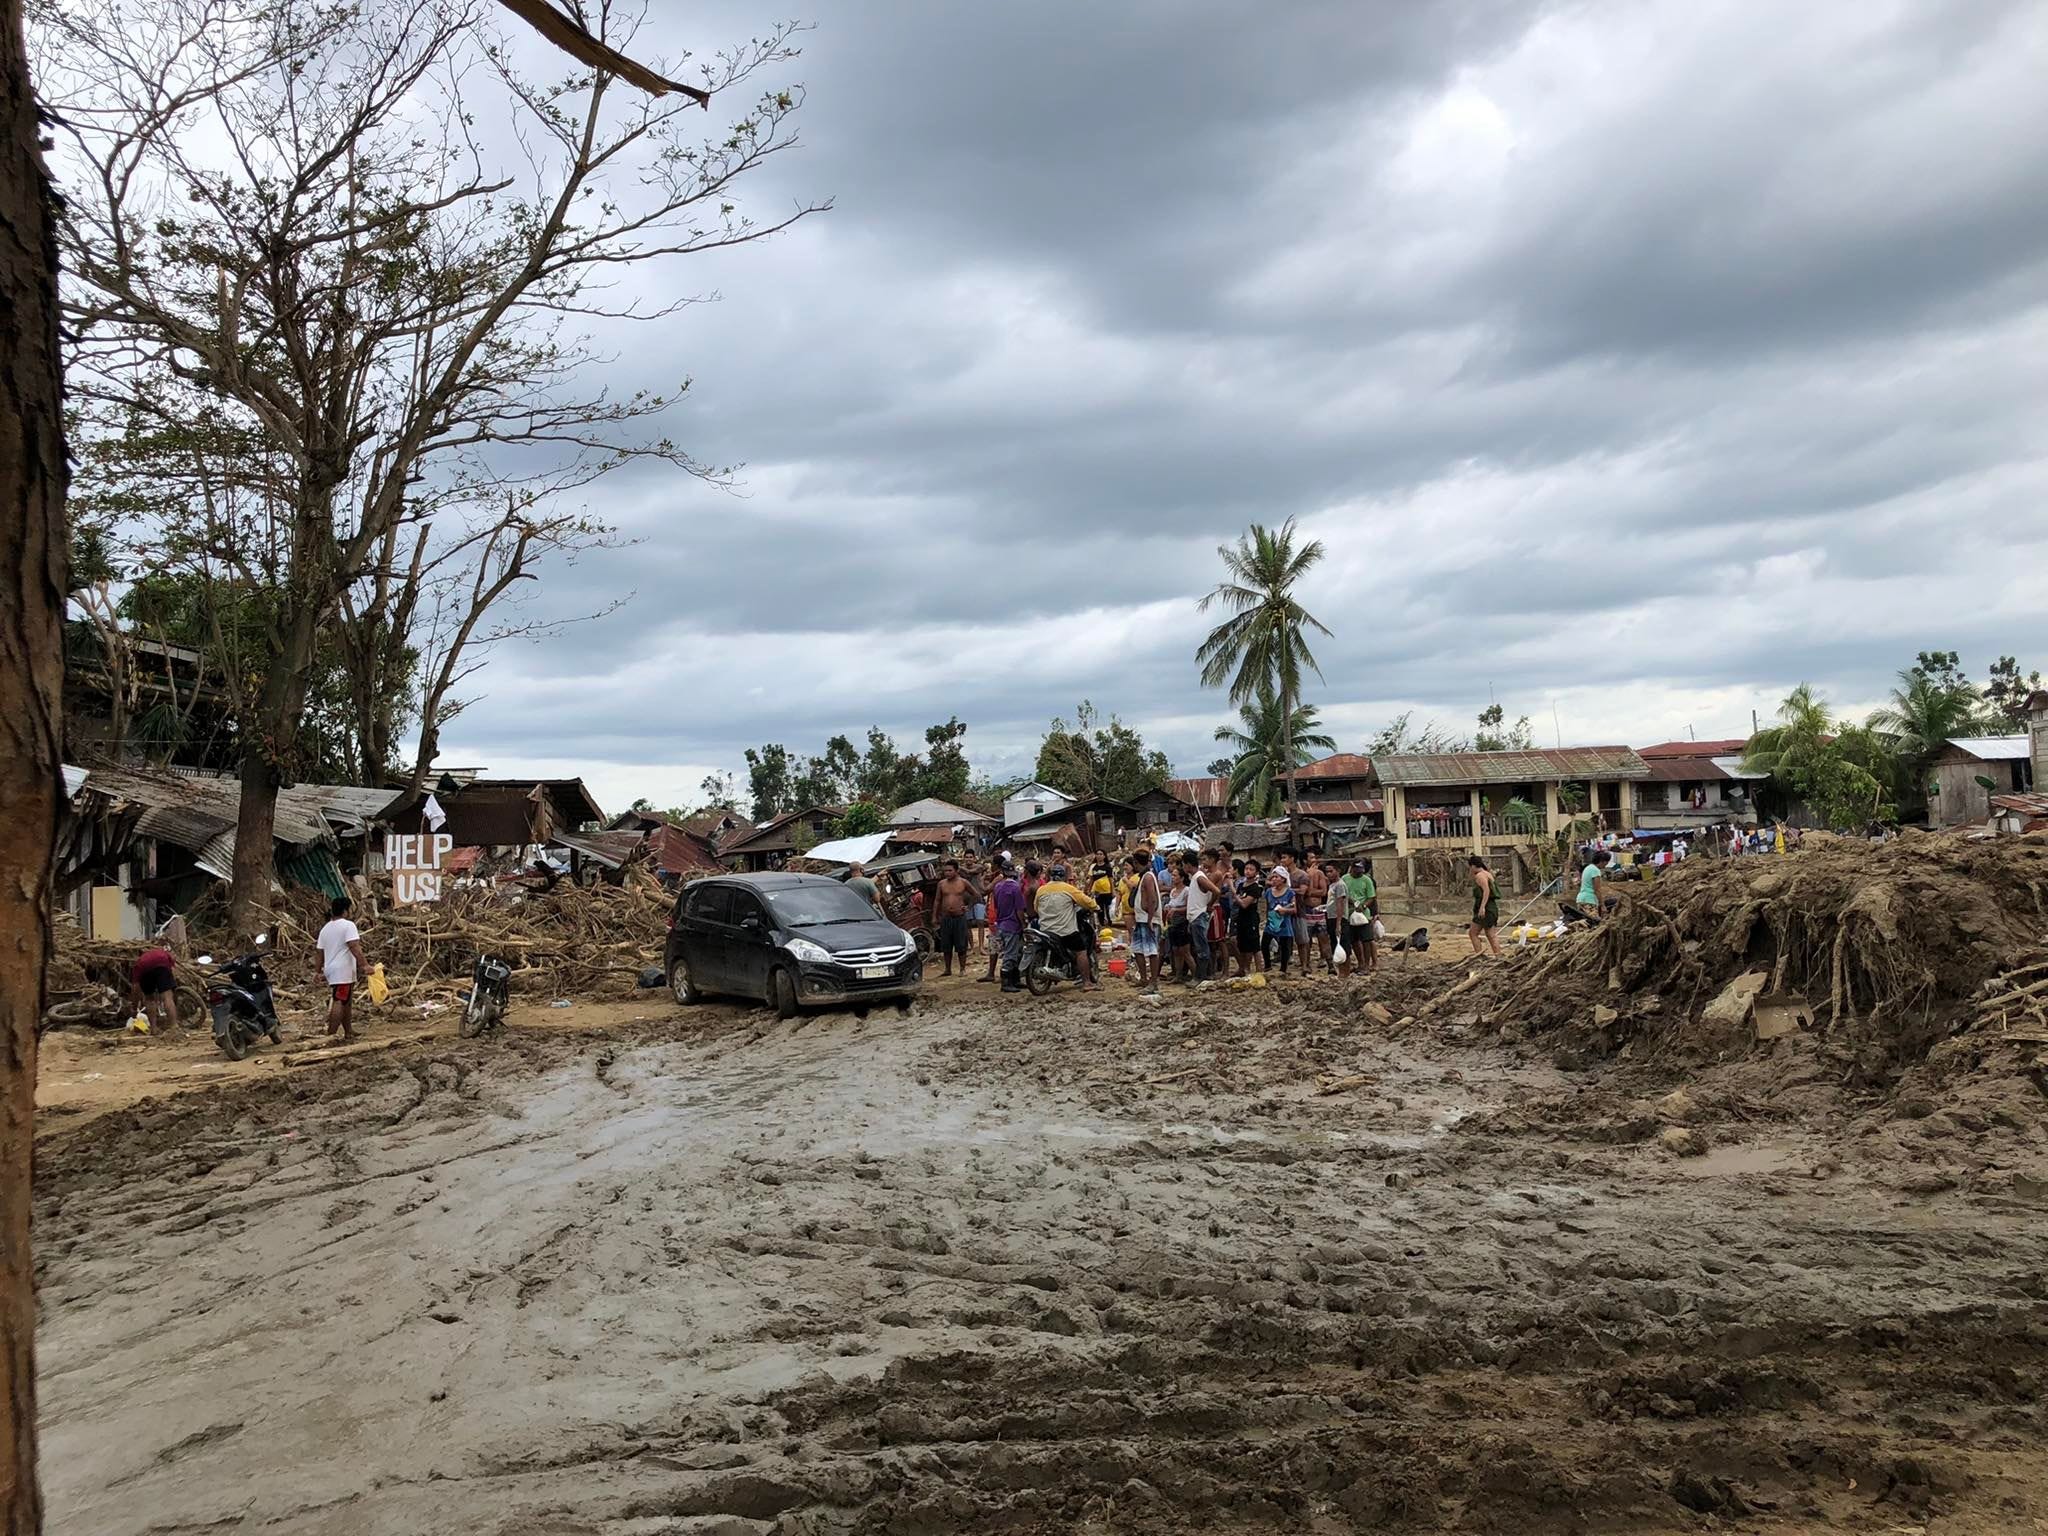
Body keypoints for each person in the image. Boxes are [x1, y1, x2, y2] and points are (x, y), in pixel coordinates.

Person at [1031, 862, 1099, 989]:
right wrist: (1096, 907)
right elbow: (1086, 901)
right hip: (1065, 930)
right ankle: (1087, 983)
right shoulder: (1068, 888)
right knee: (1081, 951)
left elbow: (1036, 908)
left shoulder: (1041, 889)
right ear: (1063, 876)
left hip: (1045, 929)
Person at [317, 895, 368, 1041]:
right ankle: (331, 1035)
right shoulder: (348, 925)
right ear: (345, 911)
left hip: (332, 968)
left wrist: (317, 971)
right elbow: (354, 947)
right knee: (339, 1000)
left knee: (347, 1000)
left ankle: (348, 1031)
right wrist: (364, 965)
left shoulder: (326, 928)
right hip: (342, 970)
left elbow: (319, 952)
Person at [933, 859, 979, 977]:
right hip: (946, 918)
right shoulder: (941, 884)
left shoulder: (963, 882)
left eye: (950, 870)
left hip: (959, 917)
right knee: (946, 945)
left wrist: (968, 906)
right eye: (945, 871)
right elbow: (937, 900)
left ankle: (962, 969)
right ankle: (947, 969)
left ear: (956, 871)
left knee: (961, 944)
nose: (947, 873)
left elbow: (976, 895)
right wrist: (934, 916)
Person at [1125, 850, 1163, 994]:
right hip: (1142, 919)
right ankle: (1144, 978)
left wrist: (1150, 919)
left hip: (1148, 920)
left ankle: (1153, 982)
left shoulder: (1147, 877)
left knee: (1152, 951)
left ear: (1135, 863)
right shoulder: (1144, 876)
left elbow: (1152, 899)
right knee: (1138, 949)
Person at [988, 861, 1026, 992]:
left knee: (1012, 952)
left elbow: (997, 906)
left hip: (1001, 923)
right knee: (1011, 954)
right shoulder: (1015, 888)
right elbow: (1019, 909)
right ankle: (1006, 983)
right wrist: (1023, 924)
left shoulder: (997, 887)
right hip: (1012, 924)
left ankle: (1014, 980)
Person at [1182, 851, 1218, 980]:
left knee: (1202, 949)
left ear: (1187, 865)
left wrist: (1209, 905)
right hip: (1195, 916)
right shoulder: (1195, 877)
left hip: (1199, 916)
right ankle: (1203, 975)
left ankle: (1201, 977)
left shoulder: (1199, 877)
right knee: (1200, 948)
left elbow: (1216, 891)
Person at [129, 943, 180, 1031]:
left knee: (149, 999)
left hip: (145, 970)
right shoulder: (163, 953)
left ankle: (154, 1028)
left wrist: (134, 1008)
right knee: (167, 997)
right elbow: (173, 970)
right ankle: (174, 1026)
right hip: (162, 965)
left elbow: (135, 989)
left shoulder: (138, 964)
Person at [1340, 858, 1377, 975]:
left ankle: (1366, 965)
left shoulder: (1367, 880)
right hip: (1349, 913)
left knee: (1366, 940)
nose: (1359, 871)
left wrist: (1364, 905)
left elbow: (1371, 897)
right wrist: (1351, 902)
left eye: (1361, 869)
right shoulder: (1345, 879)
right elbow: (1343, 894)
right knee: (1354, 941)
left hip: (1363, 915)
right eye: (1357, 868)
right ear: (1352, 868)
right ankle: (1360, 963)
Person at [1302, 852, 1331, 974]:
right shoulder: (1302, 874)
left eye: (1315, 857)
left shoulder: (1319, 873)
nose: (1314, 860)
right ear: (1305, 861)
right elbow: (1302, 892)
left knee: (1323, 938)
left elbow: (1323, 892)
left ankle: (1329, 963)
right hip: (1306, 910)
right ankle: (1306, 964)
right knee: (1306, 940)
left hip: (1318, 910)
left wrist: (1310, 892)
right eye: (1311, 858)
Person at [1234, 858, 1265, 974]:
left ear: (1256, 872)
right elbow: (1236, 900)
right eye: (1246, 869)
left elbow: (1244, 903)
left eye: (1251, 869)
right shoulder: (1242, 885)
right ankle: (1244, 968)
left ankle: (1259, 970)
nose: (1248, 871)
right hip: (1241, 918)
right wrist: (1238, 898)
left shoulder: (1255, 888)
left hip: (1251, 918)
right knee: (1242, 944)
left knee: (1254, 945)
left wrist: (1236, 895)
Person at [1467, 854, 1501, 958]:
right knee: (1491, 934)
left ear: (1473, 866)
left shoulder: (1480, 876)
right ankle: (1498, 956)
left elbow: (1486, 890)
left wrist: (1482, 908)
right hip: (1491, 907)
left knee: (1473, 933)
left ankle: (1479, 956)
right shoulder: (1487, 874)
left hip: (1485, 907)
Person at [1163, 863, 1193, 981]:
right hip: (1173, 923)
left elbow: (1188, 907)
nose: (1172, 877)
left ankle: (1196, 974)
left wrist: (1175, 910)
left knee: (1185, 951)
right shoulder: (1173, 891)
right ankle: (1178, 974)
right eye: (1172, 875)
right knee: (1175, 950)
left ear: (1182, 878)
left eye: (1175, 875)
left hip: (1182, 922)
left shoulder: (1186, 891)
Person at [1265, 866, 1297, 973]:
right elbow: (1267, 907)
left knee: (1285, 947)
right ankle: (1267, 966)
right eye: (1272, 877)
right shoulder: (1269, 892)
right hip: (1271, 922)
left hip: (1284, 923)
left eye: (1276, 877)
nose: (1273, 879)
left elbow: (1294, 909)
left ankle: (1283, 969)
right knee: (1264, 944)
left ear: (1283, 879)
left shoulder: (1290, 893)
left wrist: (1285, 910)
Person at [1577, 850, 1614, 918]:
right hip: (1589, 901)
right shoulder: (1595, 870)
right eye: (1606, 862)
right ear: (1602, 861)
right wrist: (1602, 905)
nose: (1606, 864)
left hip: (1581, 899)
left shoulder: (1588, 868)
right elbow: (1597, 889)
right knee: (1594, 924)